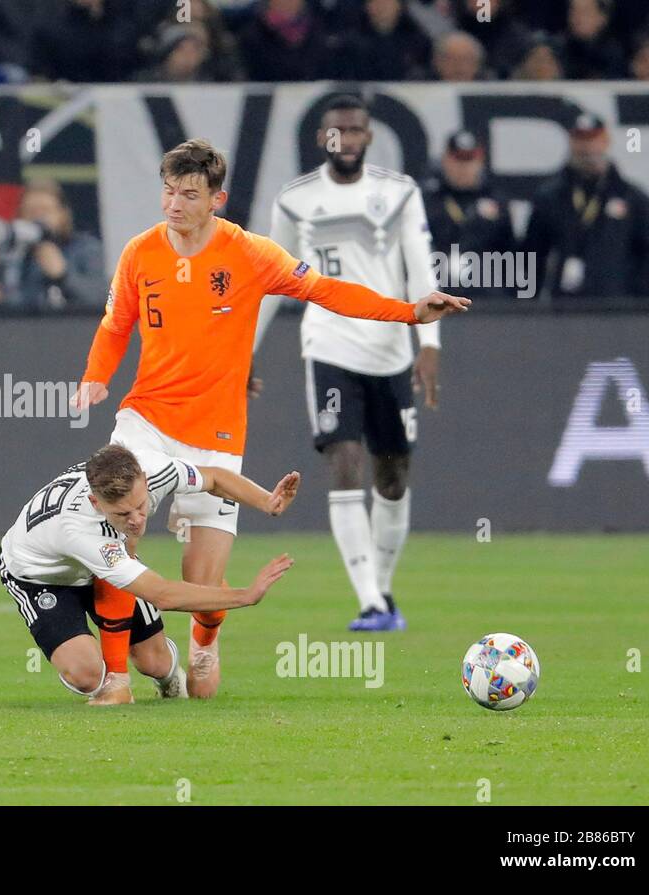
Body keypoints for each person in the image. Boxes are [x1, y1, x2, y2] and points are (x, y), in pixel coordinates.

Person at [73, 135, 470, 697]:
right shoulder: (140, 252)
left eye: (188, 193)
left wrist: (407, 312)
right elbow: (116, 326)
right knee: (116, 544)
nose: (174, 204)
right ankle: (115, 678)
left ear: (217, 198)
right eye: (167, 191)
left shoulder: (250, 254)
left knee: (200, 580)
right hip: (146, 421)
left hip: (215, 438)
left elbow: (328, 291)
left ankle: (204, 647)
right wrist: (95, 377)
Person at [256, 96, 446, 632]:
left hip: (390, 350)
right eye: (336, 131)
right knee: (343, 462)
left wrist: (429, 345)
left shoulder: (398, 192)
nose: (347, 139)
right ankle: (369, 602)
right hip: (329, 346)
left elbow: (419, 267)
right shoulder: (296, 200)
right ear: (323, 138)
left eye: (356, 130)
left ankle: (382, 590)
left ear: (368, 136)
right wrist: (243, 350)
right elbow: (272, 280)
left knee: (393, 476)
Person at [0, 444, 297, 704]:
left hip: (98, 561)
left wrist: (266, 501)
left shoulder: (156, 469)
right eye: (122, 514)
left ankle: (167, 681)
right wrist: (246, 595)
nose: (136, 520)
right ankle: (100, 681)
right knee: (87, 675)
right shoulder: (81, 531)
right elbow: (162, 594)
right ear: (95, 503)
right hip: (39, 577)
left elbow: (215, 478)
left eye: (140, 506)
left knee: (155, 663)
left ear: (144, 478)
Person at [522, 113, 649, 299]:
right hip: (564, 306)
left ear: (605, 141)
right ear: (571, 142)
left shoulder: (632, 197)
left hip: (618, 307)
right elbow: (532, 255)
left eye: (592, 139)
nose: (587, 147)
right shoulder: (550, 197)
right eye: (580, 139)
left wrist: (636, 298)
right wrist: (530, 303)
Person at [0, 181, 106, 310]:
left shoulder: (86, 248)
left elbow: (100, 297)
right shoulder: (10, 254)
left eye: (45, 211)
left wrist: (62, 275)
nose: (38, 218)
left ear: (62, 215)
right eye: (31, 212)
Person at [422, 129, 519, 300]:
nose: (463, 167)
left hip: (487, 299)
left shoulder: (496, 200)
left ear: (480, 160)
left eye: (469, 159)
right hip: (438, 296)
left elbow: (511, 256)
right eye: (458, 159)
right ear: (445, 160)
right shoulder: (427, 200)